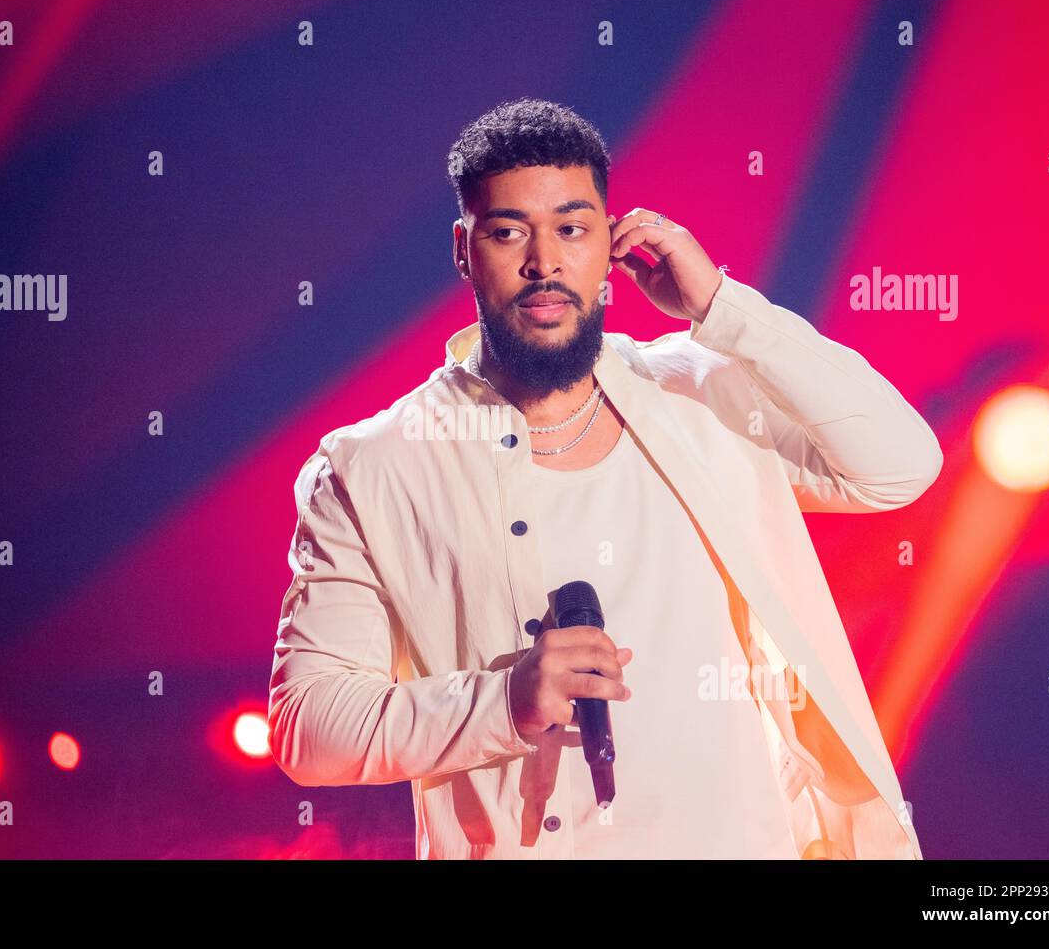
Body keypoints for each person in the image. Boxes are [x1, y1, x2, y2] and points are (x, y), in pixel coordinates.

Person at [267, 98, 941, 859]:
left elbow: (900, 467)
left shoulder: (700, 395)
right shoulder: (373, 466)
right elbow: (307, 728)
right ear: (463, 249)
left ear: (611, 244)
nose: (544, 262)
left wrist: (722, 307)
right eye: (508, 231)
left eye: (572, 228)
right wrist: (503, 701)